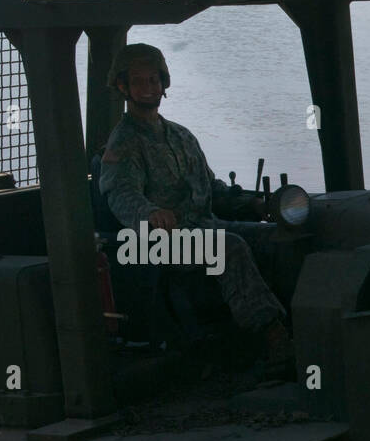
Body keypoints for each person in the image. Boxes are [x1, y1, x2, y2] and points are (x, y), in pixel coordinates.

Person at [98, 43, 294, 378]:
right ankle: (273, 338)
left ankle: (292, 324)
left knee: (276, 238)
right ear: (123, 87)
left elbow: (211, 189)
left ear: (164, 83)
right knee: (228, 248)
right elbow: (120, 193)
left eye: (154, 80)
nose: (149, 88)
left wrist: (254, 204)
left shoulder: (181, 136)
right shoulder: (123, 142)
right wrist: (150, 213)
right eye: (140, 81)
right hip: (156, 243)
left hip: (203, 225)